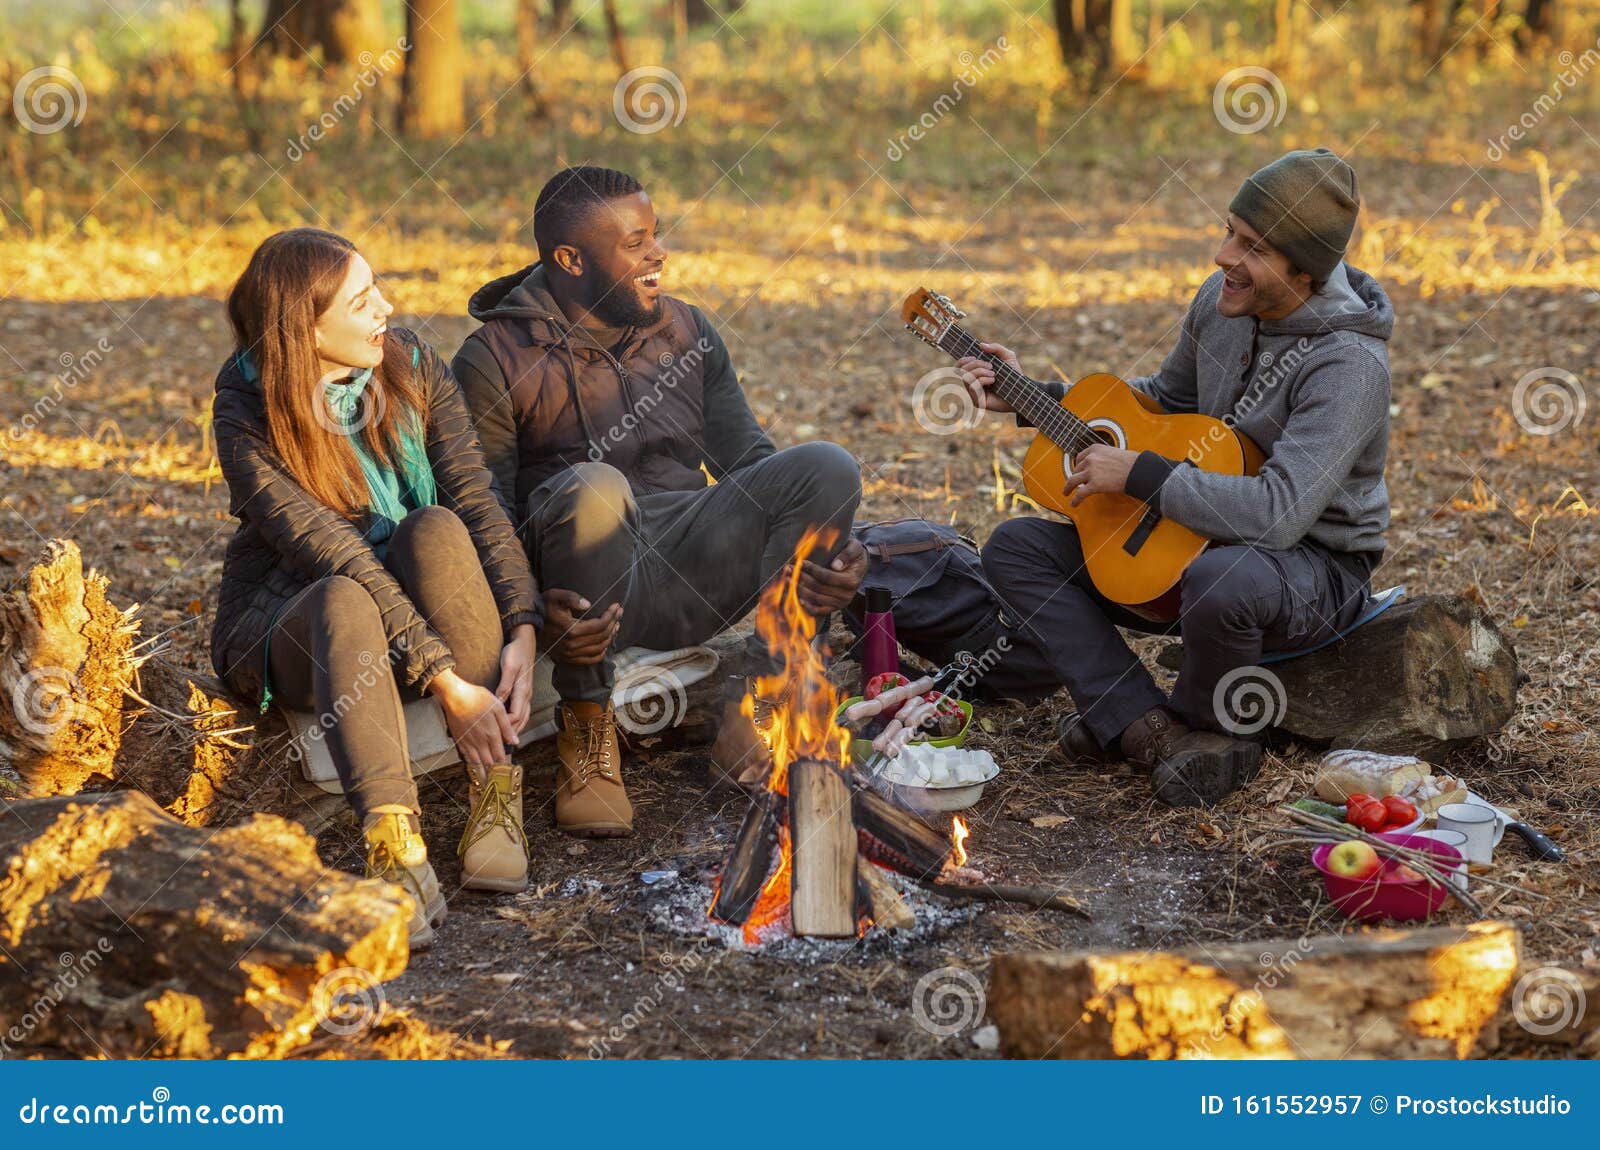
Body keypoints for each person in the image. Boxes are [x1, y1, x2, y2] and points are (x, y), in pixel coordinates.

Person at [960, 148, 1393, 807]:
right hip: (1192, 536)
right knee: (1018, 548)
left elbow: (1280, 515)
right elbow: (1160, 405)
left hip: (1312, 570)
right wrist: (1035, 397)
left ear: (1303, 269)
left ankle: (1216, 732)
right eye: (1228, 231)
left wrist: (1143, 477)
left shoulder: (1350, 365)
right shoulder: (1221, 305)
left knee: (1222, 578)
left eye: (1251, 246)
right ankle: (1142, 725)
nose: (1223, 256)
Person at [452, 166, 868, 833]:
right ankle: (587, 731)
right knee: (596, 487)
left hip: (694, 566)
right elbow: (484, 513)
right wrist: (528, 609)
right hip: (584, 591)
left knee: (825, 466)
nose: (658, 254)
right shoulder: (494, 358)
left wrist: (832, 551)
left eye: (656, 235)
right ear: (571, 260)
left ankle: (762, 702)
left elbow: (754, 468)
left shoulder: (688, 332)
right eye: (636, 242)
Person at [211, 228, 543, 948]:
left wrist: (521, 622)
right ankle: (396, 846)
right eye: (363, 302)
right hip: (300, 621)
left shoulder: (413, 364)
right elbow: (336, 555)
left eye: (377, 289)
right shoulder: (245, 407)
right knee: (345, 595)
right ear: (307, 328)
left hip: (409, 609)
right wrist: (449, 685)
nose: (386, 308)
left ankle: (495, 791)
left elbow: (477, 500)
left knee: (436, 527)